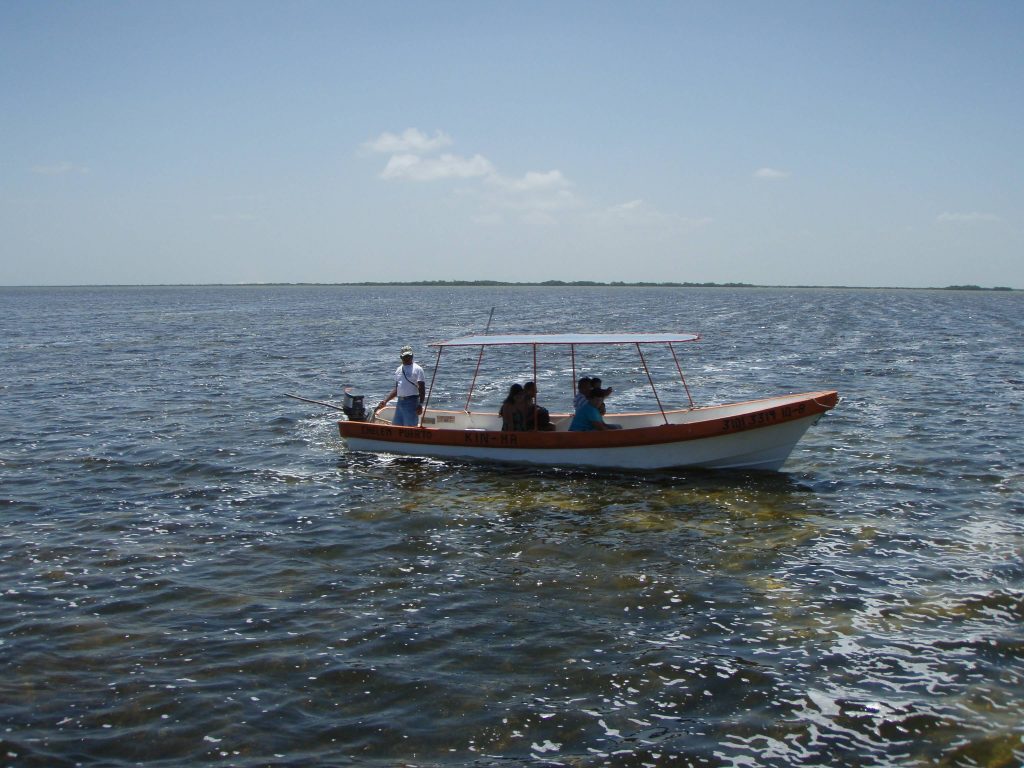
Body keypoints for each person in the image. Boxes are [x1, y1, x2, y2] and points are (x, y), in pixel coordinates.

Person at [373, 345, 426, 426]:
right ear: (401, 357)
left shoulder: (418, 369)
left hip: (412, 402)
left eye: (409, 356)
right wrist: (385, 401)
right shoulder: (399, 369)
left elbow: (422, 388)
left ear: (412, 355)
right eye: (405, 356)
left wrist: (420, 404)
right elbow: (397, 389)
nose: (408, 358)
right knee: (396, 426)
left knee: (409, 427)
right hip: (400, 402)